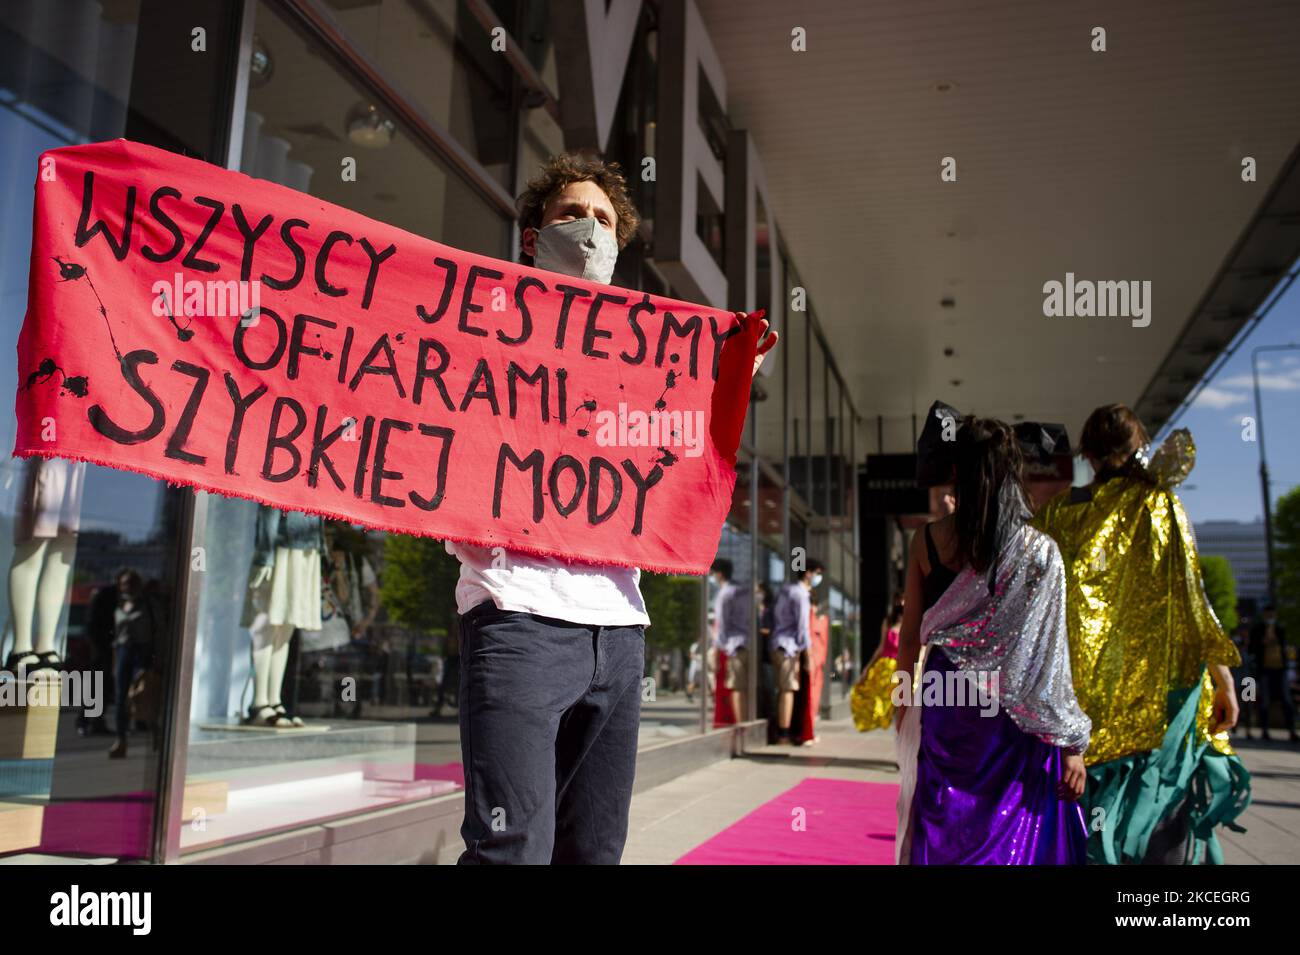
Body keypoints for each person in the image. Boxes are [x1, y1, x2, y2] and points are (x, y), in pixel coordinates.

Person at [446, 153, 776, 864]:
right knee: (513, 849)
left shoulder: (641, 358)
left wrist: (723, 371)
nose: (589, 230)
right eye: (571, 214)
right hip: (518, 615)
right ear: (532, 237)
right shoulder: (484, 324)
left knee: (595, 849)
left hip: (619, 630)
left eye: (603, 220)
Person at [1032, 404, 1250, 863]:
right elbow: (1193, 597)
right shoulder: (1160, 505)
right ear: (1140, 445)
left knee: (1084, 813)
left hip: (1079, 698)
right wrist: (1224, 677)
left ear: (1086, 454)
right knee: (1157, 810)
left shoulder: (1057, 514)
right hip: (1159, 696)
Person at [896, 415, 1090, 865]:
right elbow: (1050, 659)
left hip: (946, 700)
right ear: (1013, 472)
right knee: (1011, 829)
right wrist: (1071, 745)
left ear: (957, 470)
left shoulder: (926, 539)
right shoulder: (1040, 552)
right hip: (1011, 712)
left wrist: (902, 709)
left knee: (943, 816)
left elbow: (909, 640)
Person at [768, 560, 822, 745]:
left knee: (783, 689)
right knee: (788, 690)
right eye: (817, 573)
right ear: (808, 573)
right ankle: (783, 735)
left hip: (778, 643)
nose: (817, 577)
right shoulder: (800, 595)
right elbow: (802, 629)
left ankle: (783, 731)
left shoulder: (786, 590)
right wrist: (808, 656)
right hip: (788, 647)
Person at [851, 598, 902, 733]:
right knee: (880, 702)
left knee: (902, 705)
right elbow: (881, 647)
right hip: (885, 669)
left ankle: (901, 734)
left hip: (902, 670)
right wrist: (867, 668)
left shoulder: (913, 621)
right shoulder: (888, 622)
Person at [1249, 602, 1297, 742]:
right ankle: (1264, 730)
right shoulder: (1258, 629)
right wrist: (1262, 642)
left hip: (1280, 670)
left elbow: (1285, 648)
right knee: (1265, 701)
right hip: (1264, 669)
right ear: (1264, 615)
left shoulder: (1280, 629)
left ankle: (1292, 730)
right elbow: (1252, 648)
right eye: (1268, 614)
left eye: (1272, 614)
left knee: (1287, 701)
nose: (1270, 616)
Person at [710, 558, 750, 724]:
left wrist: (716, 649)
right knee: (742, 688)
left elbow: (722, 625)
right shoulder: (743, 592)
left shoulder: (725, 594)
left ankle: (740, 727)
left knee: (735, 688)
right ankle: (744, 723)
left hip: (732, 646)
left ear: (719, 574)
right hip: (747, 644)